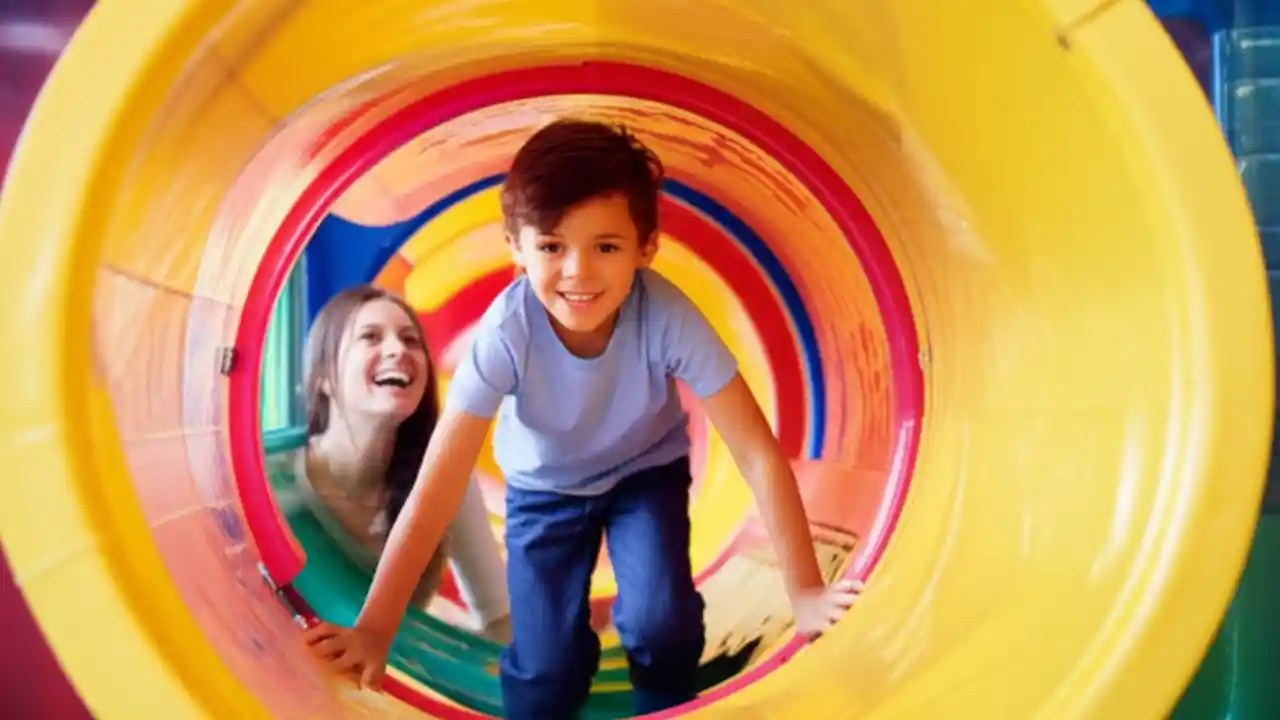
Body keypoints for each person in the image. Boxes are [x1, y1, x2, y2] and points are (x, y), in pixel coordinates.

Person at [304, 120, 862, 718]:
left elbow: (754, 450)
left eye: (606, 246)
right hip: (543, 494)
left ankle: (667, 703)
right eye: (551, 246)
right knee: (545, 667)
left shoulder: (666, 314)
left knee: (662, 623)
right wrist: (374, 632)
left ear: (645, 248)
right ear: (515, 246)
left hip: (643, 477)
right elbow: (438, 485)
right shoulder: (506, 332)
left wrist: (804, 591)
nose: (578, 272)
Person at [273, 285, 511, 645]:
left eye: (411, 340)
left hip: (384, 690)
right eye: (370, 337)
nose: (398, 349)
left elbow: (499, 621)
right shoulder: (269, 480)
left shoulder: (445, 480)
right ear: (322, 377)